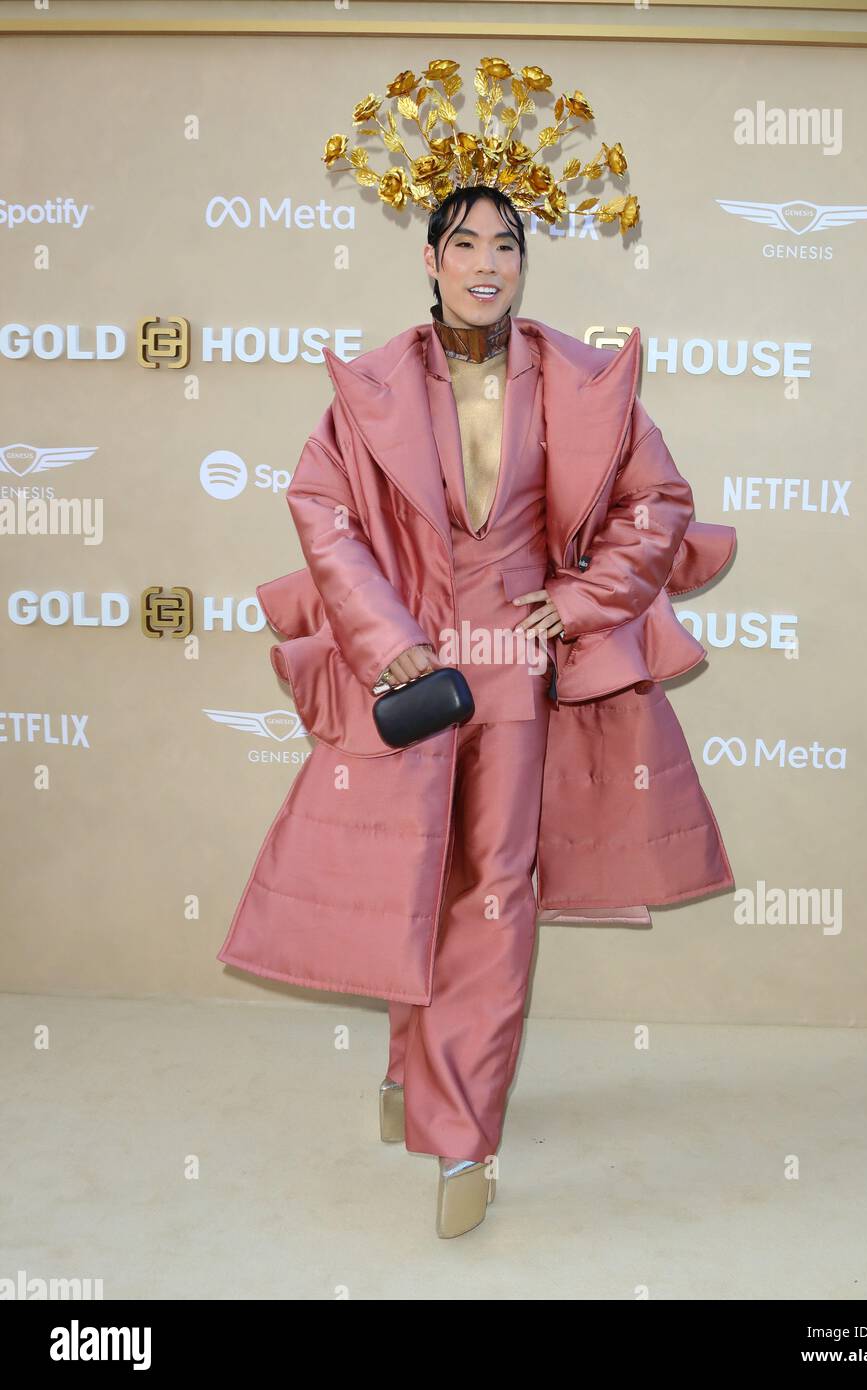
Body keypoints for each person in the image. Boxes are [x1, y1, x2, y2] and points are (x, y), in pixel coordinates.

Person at [217, 57, 736, 1239]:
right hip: (411, 665)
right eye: (466, 244)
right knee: (420, 873)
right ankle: (412, 1067)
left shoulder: (583, 382)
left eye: (506, 244)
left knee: (495, 889)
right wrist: (388, 642)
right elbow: (323, 511)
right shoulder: (370, 390)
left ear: (522, 259)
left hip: (515, 666)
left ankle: (463, 1137)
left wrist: (592, 594)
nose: (487, 263)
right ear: (430, 256)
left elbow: (657, 503)